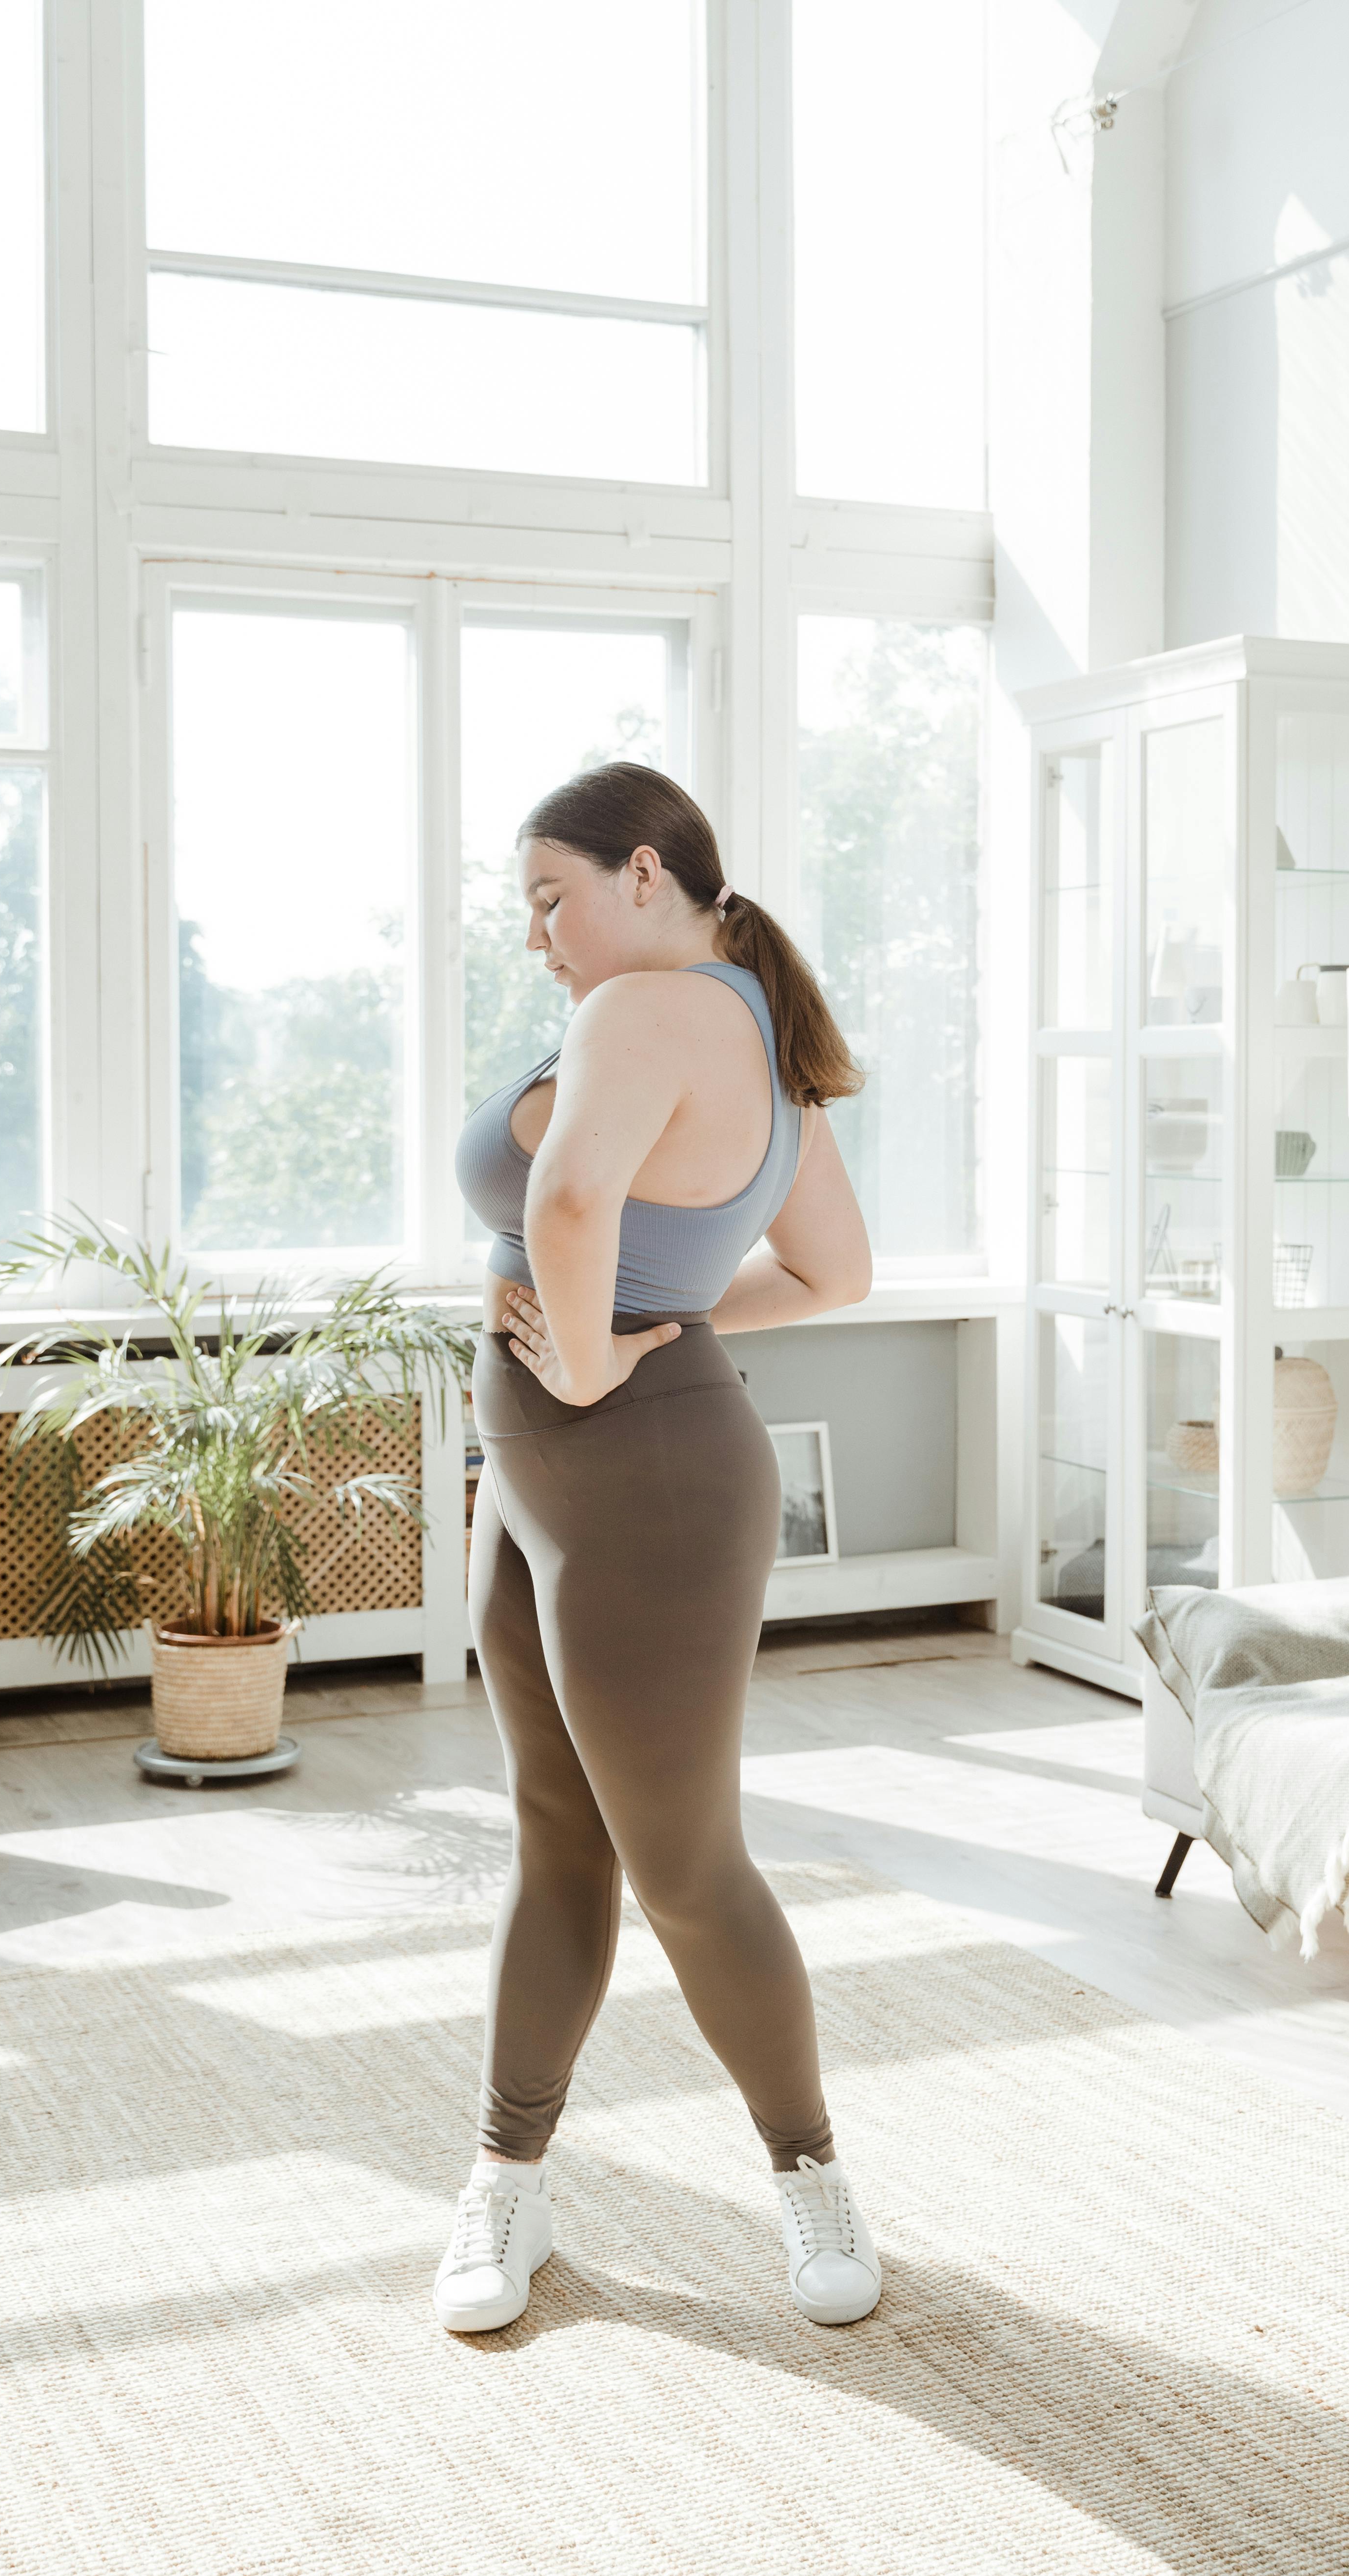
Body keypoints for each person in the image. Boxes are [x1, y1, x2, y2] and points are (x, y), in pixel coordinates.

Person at [438, 762, 879, 2336]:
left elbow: (567, 1213)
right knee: (557, 1841)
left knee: (684, 1867)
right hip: (551, 1480)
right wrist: (642, 1336)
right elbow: (835, 1269)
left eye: (550, 899)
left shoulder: (641, 1011)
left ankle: (810, 2171)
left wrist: (589, 1358)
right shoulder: (759, 1023)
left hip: (641, 1477)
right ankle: (510, 2178)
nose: (539, 937)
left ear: (643, 872)